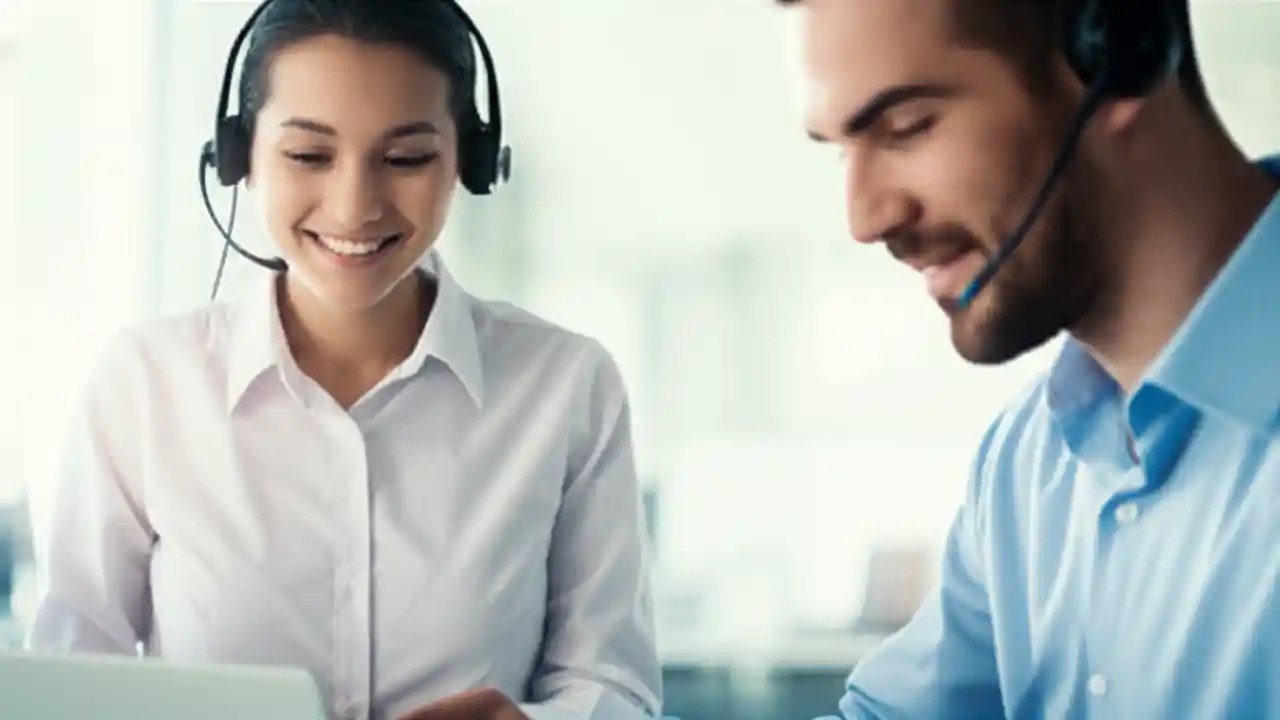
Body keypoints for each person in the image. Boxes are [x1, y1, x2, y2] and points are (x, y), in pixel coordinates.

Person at [24, 2, 662, 719]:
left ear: (472, 164)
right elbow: (66, 687)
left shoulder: (567, 387)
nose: (355, 204)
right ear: (239, 159)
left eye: (406, 158)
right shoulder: (145, 383)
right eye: (307, 155)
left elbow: (616, 687)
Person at [772, 0, 1280, 717]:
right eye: (838, 150)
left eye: (907, 127)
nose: (864, 218)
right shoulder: (1028, 462)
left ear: (1119, 54)